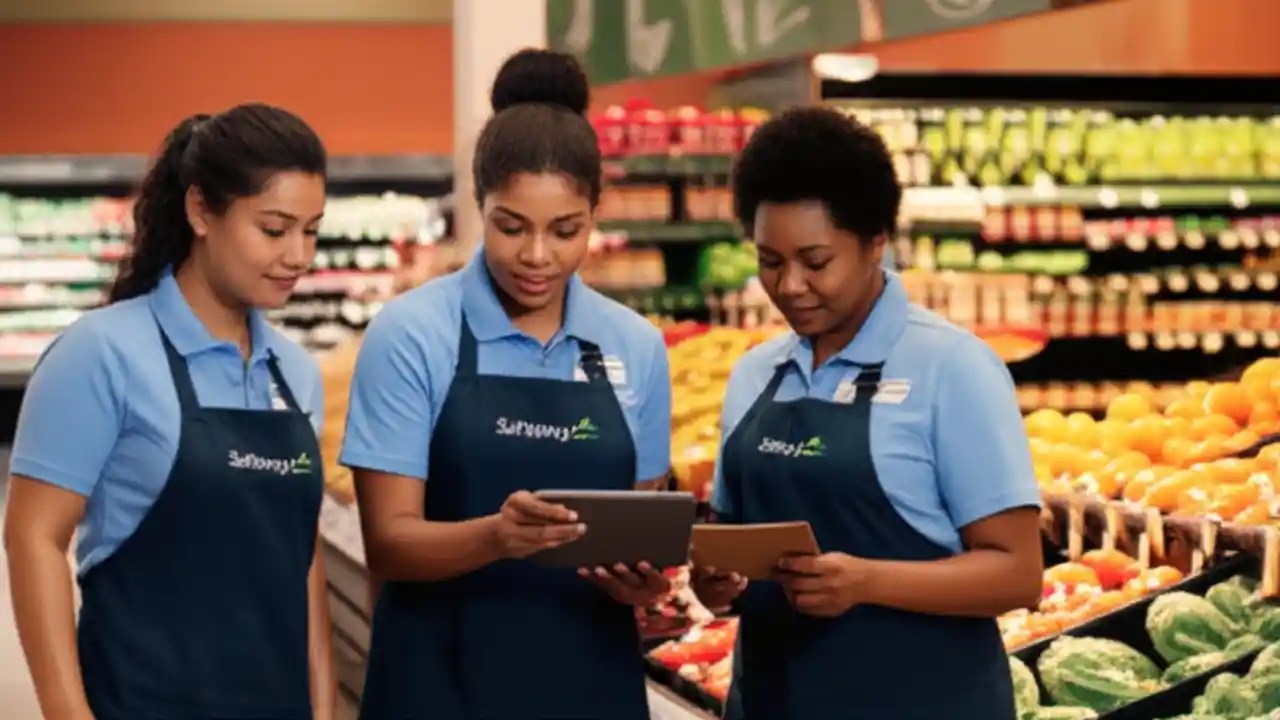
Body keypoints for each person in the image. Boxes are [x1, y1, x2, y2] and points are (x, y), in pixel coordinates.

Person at [340, 49, 673, 720]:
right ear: (480, 204)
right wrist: (497, 536)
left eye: (566, 230)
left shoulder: (634, 347)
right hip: (440, 682)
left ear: (595, 214)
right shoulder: (413, 334)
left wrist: (642, 583)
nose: (538, 257)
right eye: (511, 226)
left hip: (591, 683)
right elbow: (389, 543)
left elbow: (642, 533)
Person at [691, 107, 1043, 719]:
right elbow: (731, 548)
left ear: (876, 241)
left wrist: (866, 582)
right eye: (770, 261)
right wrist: (715, 583)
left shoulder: (954, 369)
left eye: (816, 261)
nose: (791, 285)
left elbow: (1017, 574)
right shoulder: (754, 375)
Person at [4, 104, 334, 720]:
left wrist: (322, 706)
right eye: (274, 228)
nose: (298, 255)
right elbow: (33, 538)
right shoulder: (101, 353)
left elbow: (302, 556)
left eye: (311, 230)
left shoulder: (295, 374)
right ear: (200, 211)